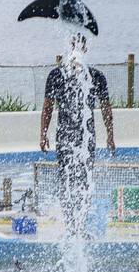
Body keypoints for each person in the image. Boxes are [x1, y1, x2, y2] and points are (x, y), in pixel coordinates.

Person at [40, 33, 115, 235]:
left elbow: (106, 108)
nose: (77, 49)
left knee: (84, 181)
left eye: (80, 46)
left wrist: (110, 135)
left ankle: (79, 225)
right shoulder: (57, 75)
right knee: (66, 179)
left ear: (85, 50)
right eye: (75, 45)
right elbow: (47, 107)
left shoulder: (96, 77)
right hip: (66, 137)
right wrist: (43, 133)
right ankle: (71, 225)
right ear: (69, 48)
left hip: (86, 138)